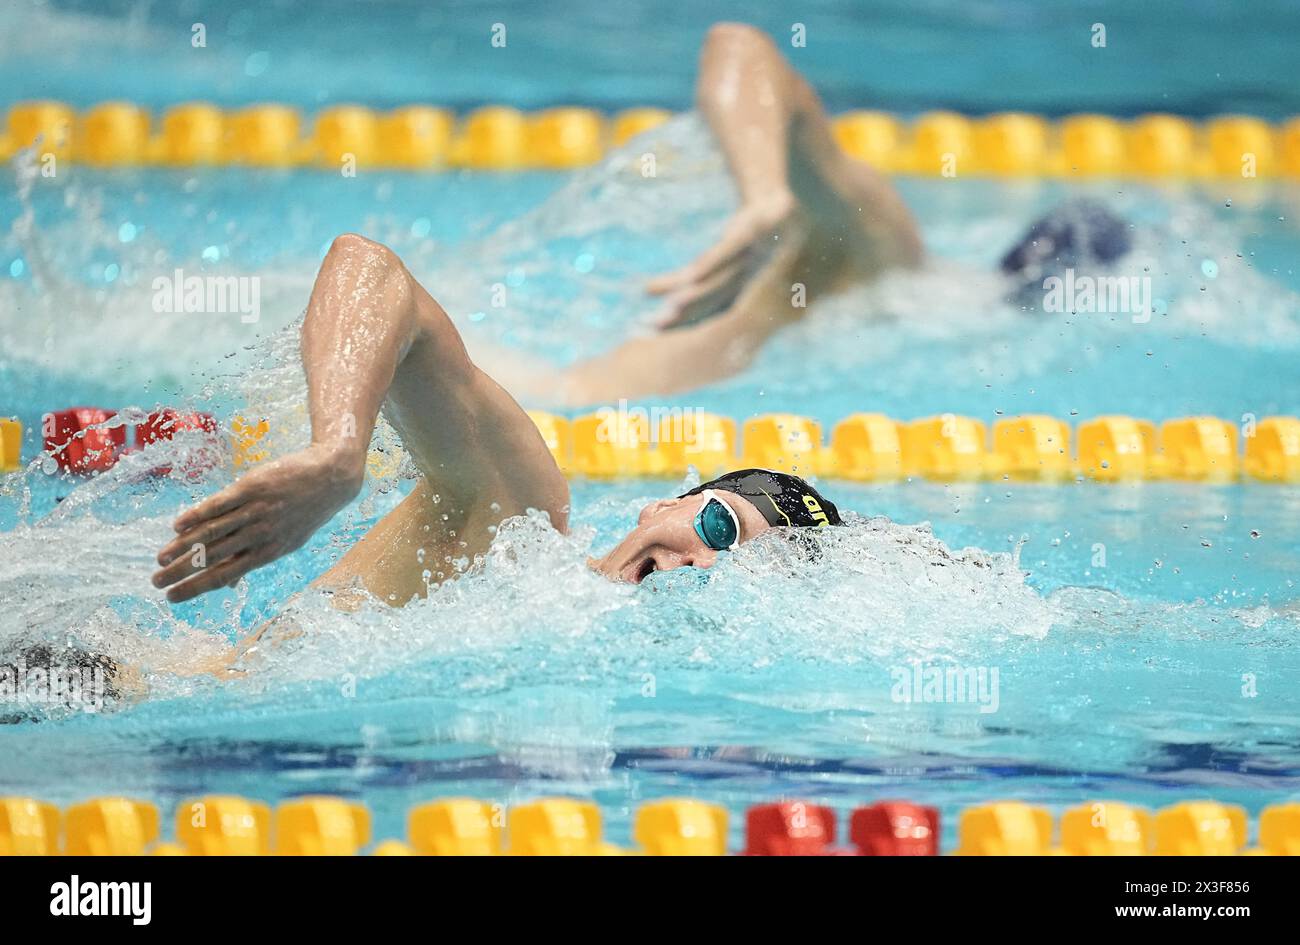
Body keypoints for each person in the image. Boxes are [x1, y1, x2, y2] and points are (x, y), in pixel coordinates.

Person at [149, 22, 890, 608]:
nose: (701, 566)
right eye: (720, 526)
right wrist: (338, 453)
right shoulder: (517, 526)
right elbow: (371, 268)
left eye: (733, 571)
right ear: (661, 503)